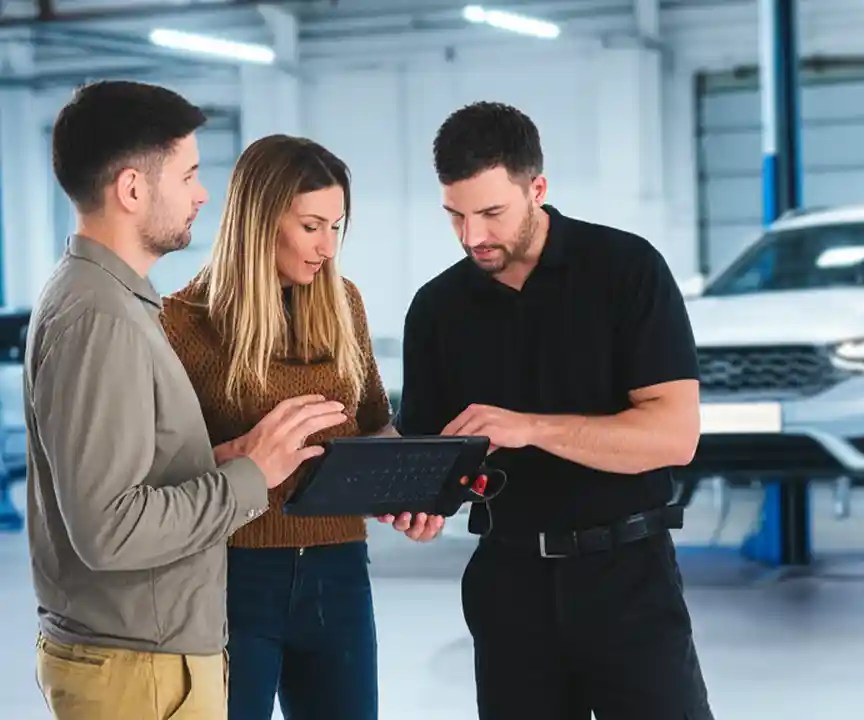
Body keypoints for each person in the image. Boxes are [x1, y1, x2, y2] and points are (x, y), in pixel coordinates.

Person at [26, 81, 348, 720]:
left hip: (147, 662)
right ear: (133, 189)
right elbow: (110, 530)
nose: (203, 194)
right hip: (140, 671)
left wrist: (224, 456)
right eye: (189, 174)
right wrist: (252, 478)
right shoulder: (101, 318)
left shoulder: (114, 302)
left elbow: (124, 481)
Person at [385, 101, 715, 720]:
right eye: (454, 215)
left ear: (537, 188)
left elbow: (674, 436)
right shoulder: (436, 309)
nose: (472, 237)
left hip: (629, 580)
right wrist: (417, 502)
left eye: (491, 213)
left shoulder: (626, 270)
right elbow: (433, 458)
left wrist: (530, 428)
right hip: (509, 588)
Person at [159, 134, 433, 720]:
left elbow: (374, 429)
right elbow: (158, 475)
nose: (328, 247)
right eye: (312, 226)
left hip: (339, 574)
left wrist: (412, 488)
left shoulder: (344, 304)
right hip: (231, 576)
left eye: (337, 226)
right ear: (259, 221)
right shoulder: (181, 324)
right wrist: (243, 456)